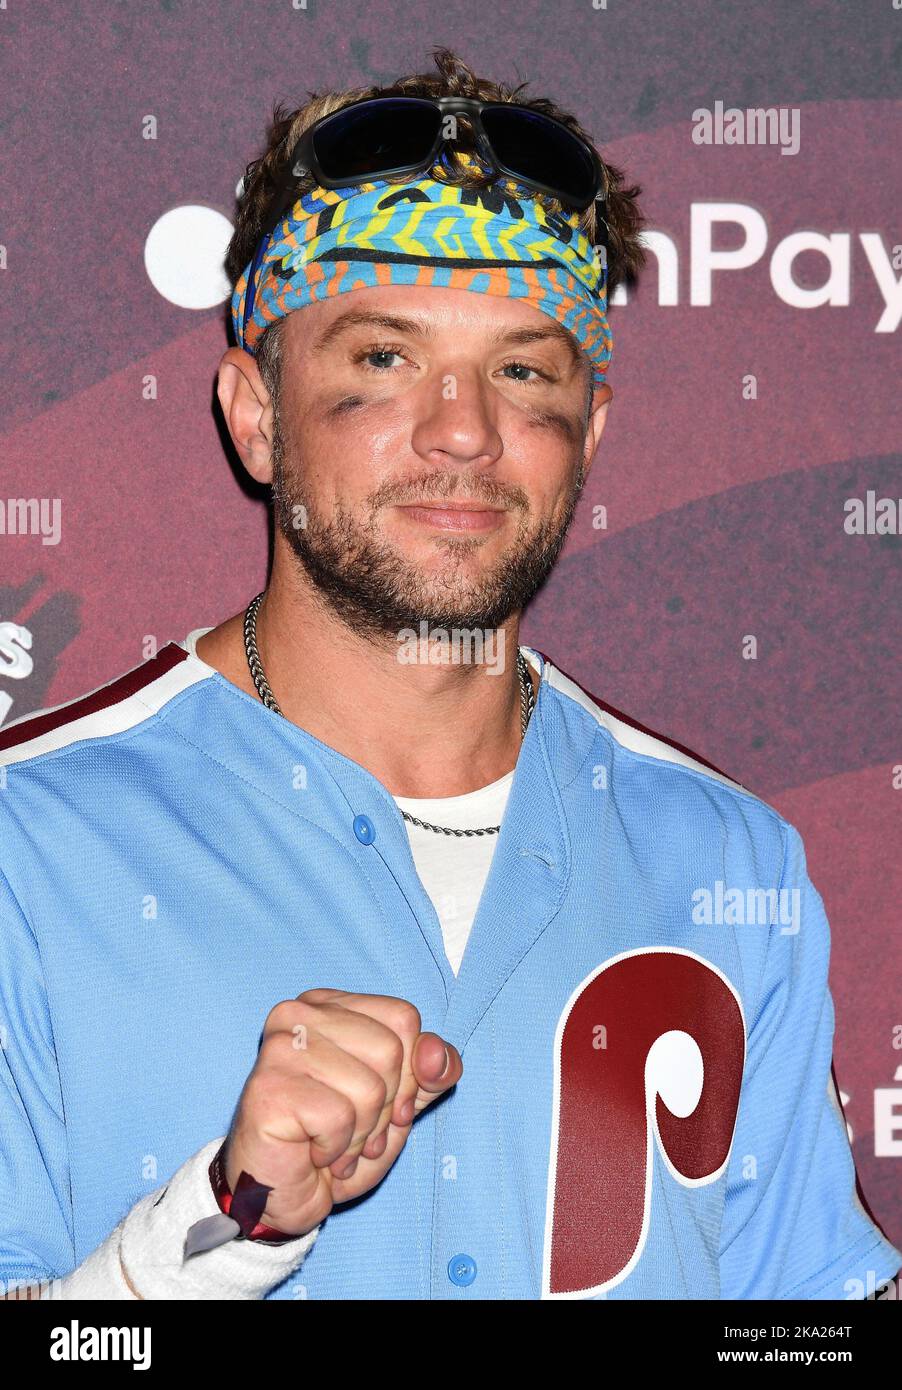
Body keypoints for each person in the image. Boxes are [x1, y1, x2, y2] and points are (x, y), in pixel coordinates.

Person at [1, 47, 898, 1302]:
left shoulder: (726, 857)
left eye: (522, 371)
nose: (462, 430)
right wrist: (213, 1234)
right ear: (256, 414)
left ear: (588, 434)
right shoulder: (26, 845)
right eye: (382, 358)